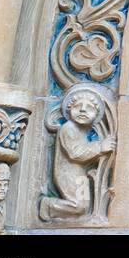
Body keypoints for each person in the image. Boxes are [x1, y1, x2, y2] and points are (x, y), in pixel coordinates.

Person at [39, 85, 114, 221]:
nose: (83, 110)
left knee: (83, 208)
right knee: (79, 206)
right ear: (69, 109)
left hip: (79, 172)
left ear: (96, 114)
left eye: (89, 107)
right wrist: (100, 147)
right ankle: (48, 206)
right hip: (67, 174)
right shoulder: (68, 128)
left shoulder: (84, 131)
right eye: (77, 106)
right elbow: (75, 153)